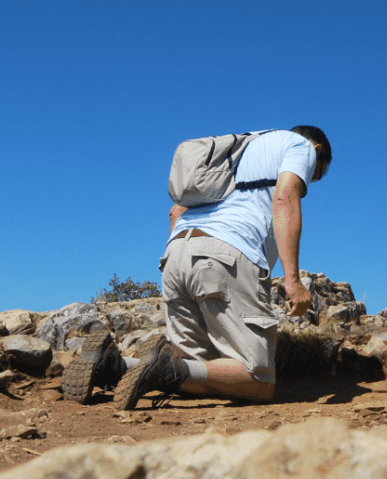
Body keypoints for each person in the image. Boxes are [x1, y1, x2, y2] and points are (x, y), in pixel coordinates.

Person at [61, 126, 332, 409]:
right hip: (229, 253)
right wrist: (292, 280)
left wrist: (183, 265)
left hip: (177, 251)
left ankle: (112, 365)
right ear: (317, 150)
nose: (310, 181)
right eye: (315, 174)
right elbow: (284, 197)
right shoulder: (299, 145)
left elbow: (176, 211)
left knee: (200, 368)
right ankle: (165, 367)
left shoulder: (239, 148)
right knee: (258, 380)